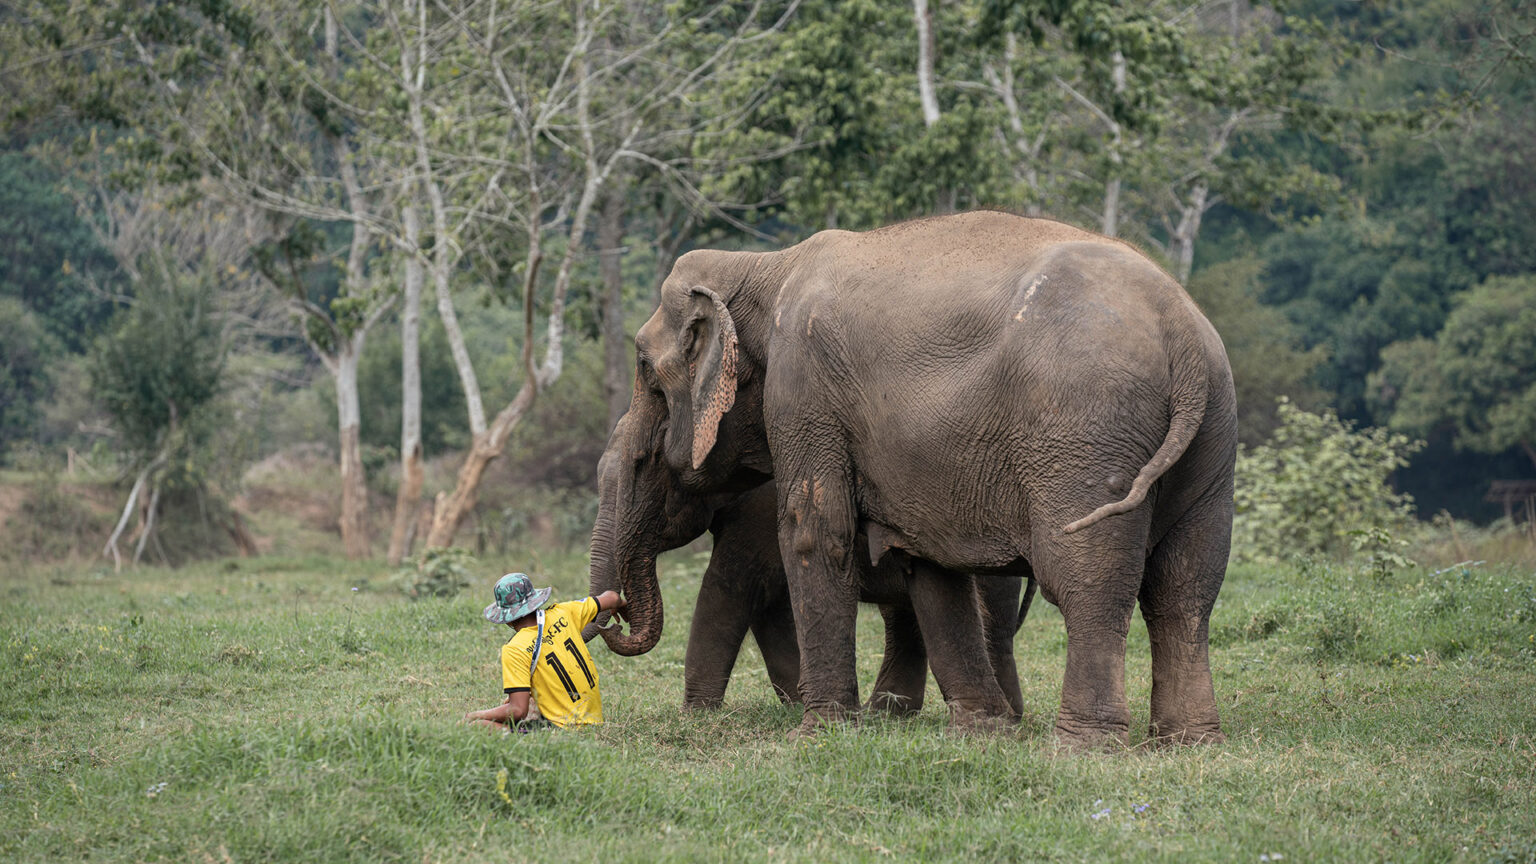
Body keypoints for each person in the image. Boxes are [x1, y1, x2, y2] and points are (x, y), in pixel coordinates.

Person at [465, 572, 625, 732]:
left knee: (477, 725)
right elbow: (612, 597)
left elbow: (518, 711)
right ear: (535, 601)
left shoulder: (515, 649)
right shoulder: (564, 612)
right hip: (595, 720)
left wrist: (476, 715)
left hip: (563, 730)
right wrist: (622, 606)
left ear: (508, 619)